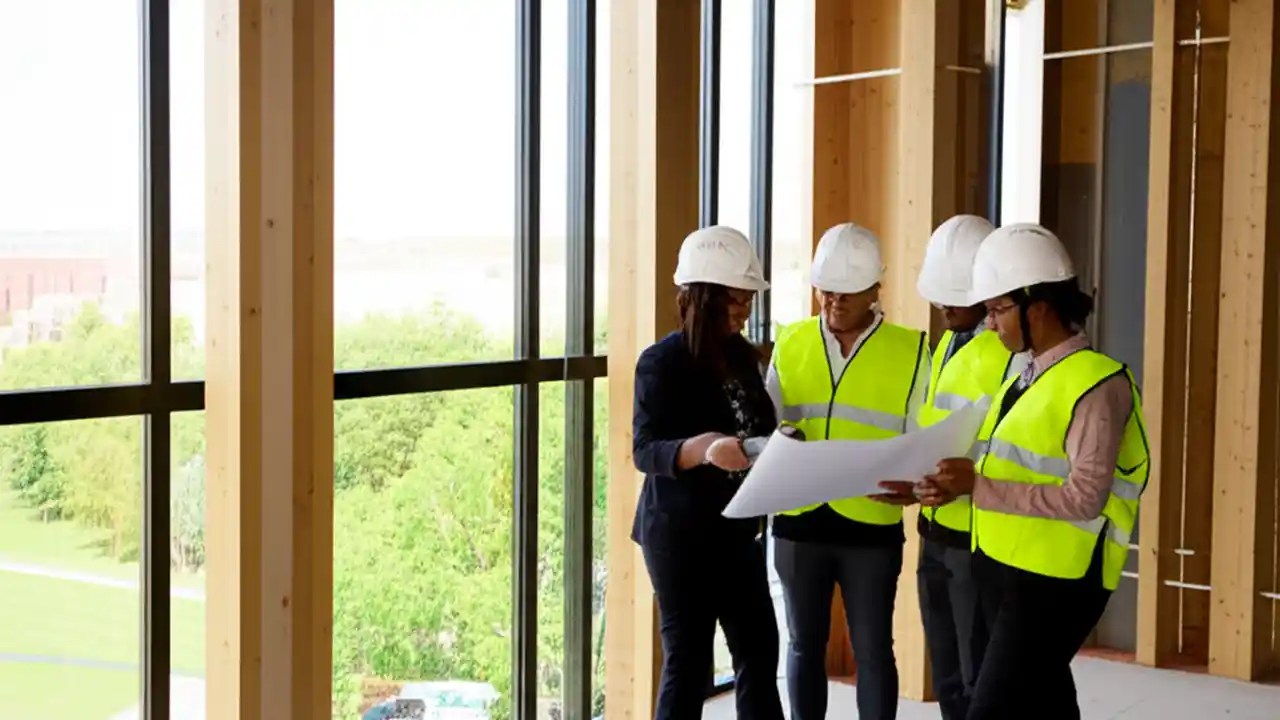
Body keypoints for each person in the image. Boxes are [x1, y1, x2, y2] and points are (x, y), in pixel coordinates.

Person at [916, 223, 1149, 719]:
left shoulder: (1096, 385)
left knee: (993, 707)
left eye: (999, 309)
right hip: (1005, 565)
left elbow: (1085, 497)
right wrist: (946, 484)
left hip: (1057, 580)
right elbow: (1004, 462)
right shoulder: (1026, 375)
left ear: (1037, 308)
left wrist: (978, 486)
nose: (990, 322)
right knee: (1046, 701)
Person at [765, 222, 930, 720]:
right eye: (826, 290)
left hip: (872, 523)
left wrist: (915, 486)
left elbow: (922, 435)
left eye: (847, 293)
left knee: (874, 650)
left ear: (875, 289)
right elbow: (768, 422)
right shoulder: (790, 342)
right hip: (799, 518)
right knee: (801, 645)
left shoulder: (911, 349)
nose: (833, 301)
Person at [869, 215, 1021, 719]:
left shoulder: (1009, 356)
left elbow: (1008, 449)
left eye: (954, 296)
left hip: (979, 541)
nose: (942, 305)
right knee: (949, 676)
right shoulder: (948, 344)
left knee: (981, 680)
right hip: (935, 528)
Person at [631, 225, 784, 720]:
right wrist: (701, 450)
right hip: (680, 538)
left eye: (747, 302)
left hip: (738, 531)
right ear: (701, 299)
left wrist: (777, 446)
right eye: (735, 302)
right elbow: (645, 450)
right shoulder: (660, 363)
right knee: (690, 664)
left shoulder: (744, 357)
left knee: (760, 651)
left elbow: (758, 425)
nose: (744, 313)